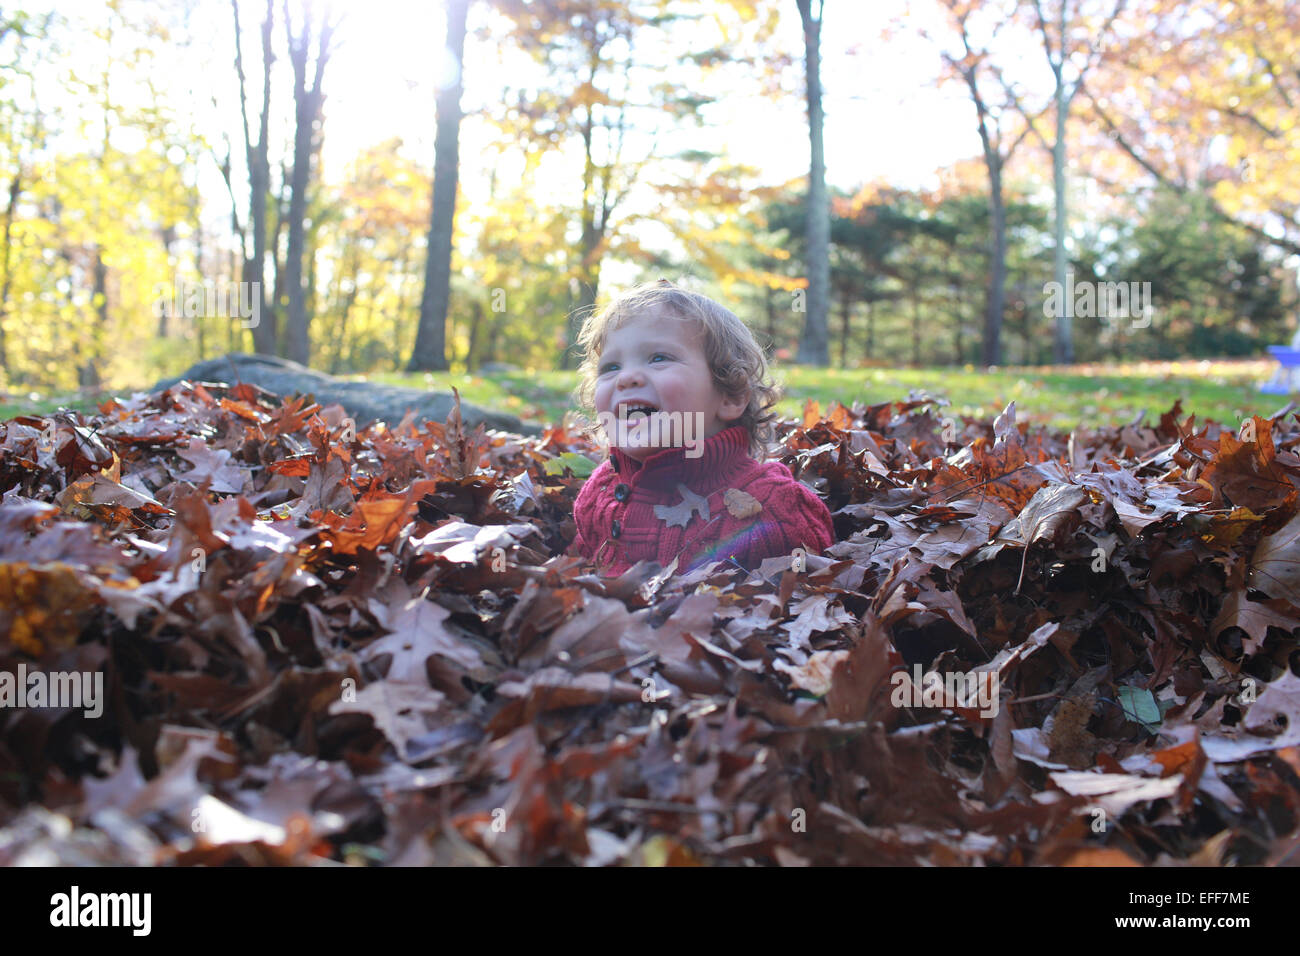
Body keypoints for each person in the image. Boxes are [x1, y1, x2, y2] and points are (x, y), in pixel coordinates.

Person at [568, 279, 834, 576]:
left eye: (658, 358)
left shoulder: (773, 510)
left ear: (731, 396)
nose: (626, 378)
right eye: (611, 367)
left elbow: (811, 597)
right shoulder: (598, 493)